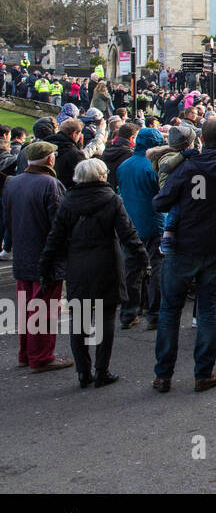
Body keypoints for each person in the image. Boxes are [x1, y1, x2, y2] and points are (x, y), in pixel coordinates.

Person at [152, 118, 216, 393]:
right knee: (207, 310)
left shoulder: (189, 167)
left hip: (184, 244)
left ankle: (163, 375)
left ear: (202, 140)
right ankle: (202, 373)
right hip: (215, 244)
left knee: (170, 310)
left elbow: (161, 201)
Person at [39, 158, 148, 389]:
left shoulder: (68, 201)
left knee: (78, 320)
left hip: (78, 263)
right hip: (107, 260)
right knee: (106, 318)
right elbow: (127, 233)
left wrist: (45, 266)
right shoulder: (111, 200)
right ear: (102, 175)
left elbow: (55, 237)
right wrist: (142, 258)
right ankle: (101, 370)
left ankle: (83, 372)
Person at [6, 141, 72, 373]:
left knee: (27, 306)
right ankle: (41, 357)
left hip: (22, 253)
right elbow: (60, 224)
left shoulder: (13, 183)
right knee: (43, 308)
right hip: (46, 256)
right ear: (49, 159)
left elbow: (7, 218)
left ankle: (27, 353)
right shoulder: (51, 184)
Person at [115, 126, 166, 328]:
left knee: (132, 270)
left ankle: (129, 313)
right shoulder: (153, 166)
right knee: (156, 268)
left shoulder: (124, 166)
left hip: (130, 223)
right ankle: (154, 313)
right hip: (154, 222)